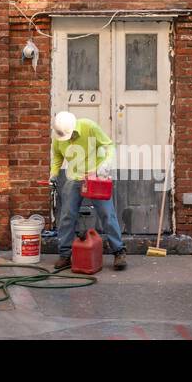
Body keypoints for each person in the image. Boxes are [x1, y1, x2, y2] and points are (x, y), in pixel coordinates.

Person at [50, 110, 127, 271]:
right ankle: (65, 255)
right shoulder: (58, 135)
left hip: (96, 176)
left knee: (107, 214)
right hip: (75, 178)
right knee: (67, 216)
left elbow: (108, 145)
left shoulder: (89, 127)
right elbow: (57, 155)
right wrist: (54, 173)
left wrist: (105, 164)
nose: (68, 138)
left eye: (70, 135)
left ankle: (119, 251)